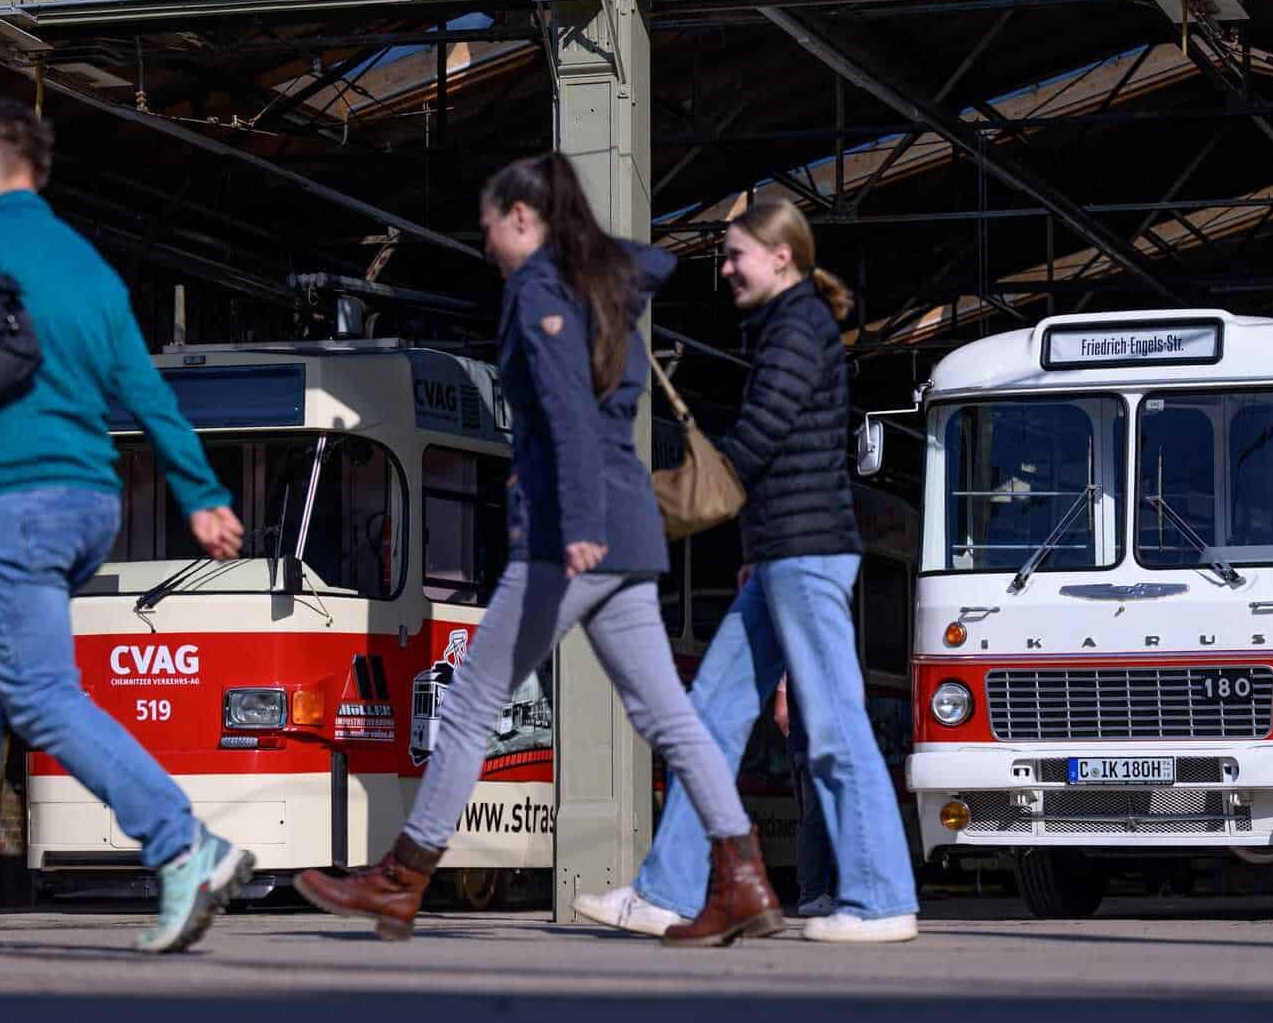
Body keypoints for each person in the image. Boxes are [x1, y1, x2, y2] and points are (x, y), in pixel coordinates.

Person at [295, 153, 781, 947]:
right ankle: (745, 879)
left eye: (490, 226)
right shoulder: (606, 284)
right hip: (627, 532)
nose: (485, 244)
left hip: (570, 533)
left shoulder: (541, 290)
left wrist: (577, 520)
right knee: (668, 716)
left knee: (470, 703)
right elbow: (625, 333)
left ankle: (399, 880)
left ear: (524, 218)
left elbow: (563, 409)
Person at [0, 98, 250, 953]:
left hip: (12, 501)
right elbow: (146, 391)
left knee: (39, 694)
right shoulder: (89, 267)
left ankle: (184, 843)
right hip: (87, 504)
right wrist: (202, 495)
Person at [577, 198, 920, 944]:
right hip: (778, 555)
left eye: (736, 254)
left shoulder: (798, 327)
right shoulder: (787, 326)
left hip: (803, 551)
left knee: (832, 725)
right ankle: (665, 891)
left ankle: (882, 897)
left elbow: (758, 438)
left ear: (782, 256)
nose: (725, 268)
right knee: (707, 718)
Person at [775, 676, 837, 917]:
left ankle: (811, 893)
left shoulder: (788, 664)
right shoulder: (830, 651)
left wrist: (798, 739)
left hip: (799, 747)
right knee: (823, 822)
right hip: (825, 747)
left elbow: (781, 715)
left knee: (808, 821)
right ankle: (816, 894)